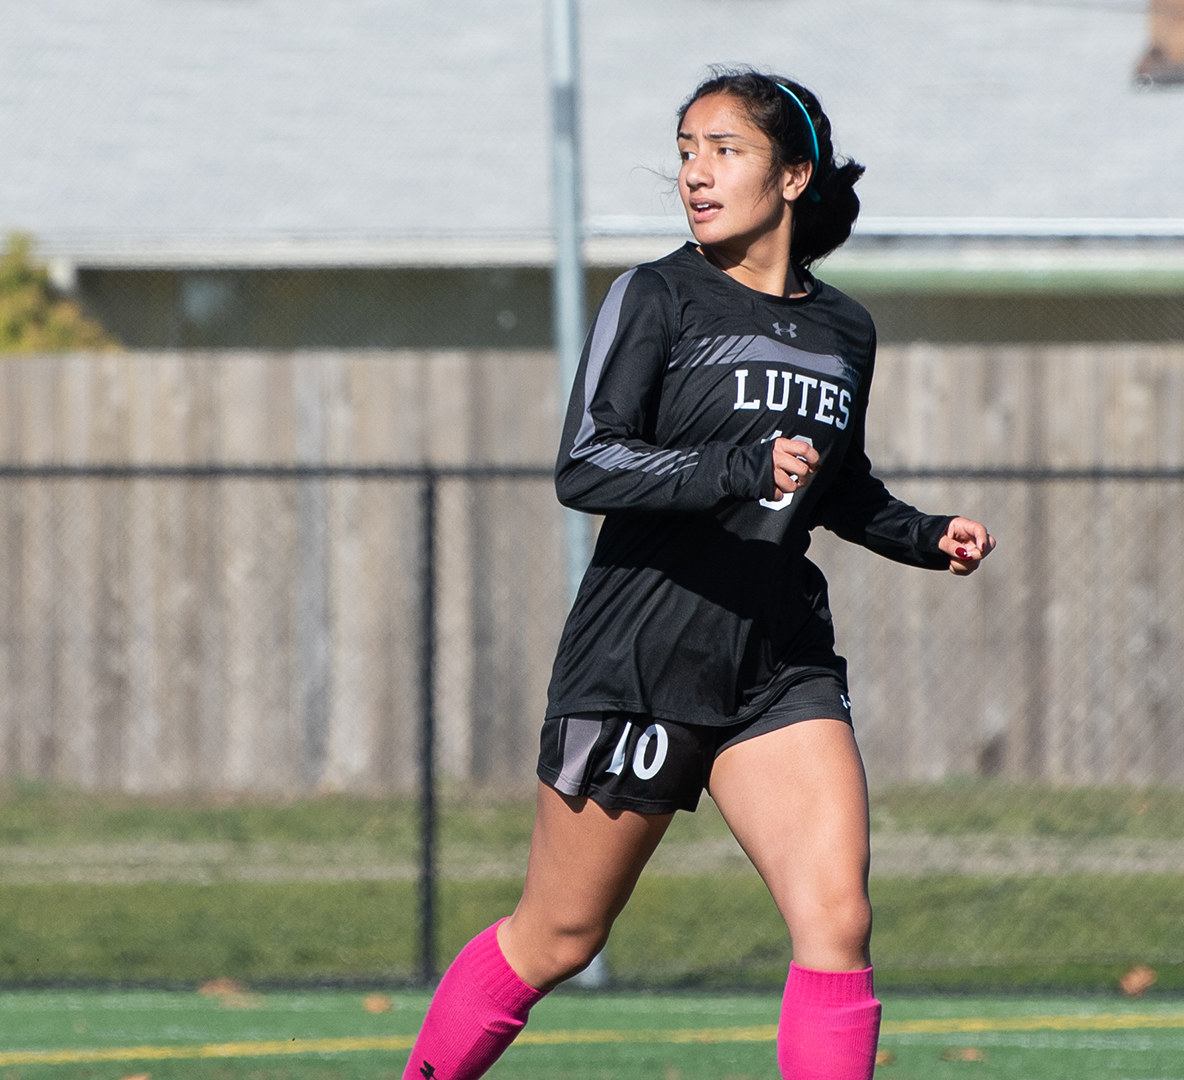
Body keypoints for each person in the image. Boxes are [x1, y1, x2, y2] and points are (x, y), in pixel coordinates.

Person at [404, 68, 996, 1080]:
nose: (694, 173)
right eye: (685, 150)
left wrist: (924, 534)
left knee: (837, 920)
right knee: (557, 935)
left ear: (793, 175)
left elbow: (837, 485)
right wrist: (736, 468)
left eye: (725, 150)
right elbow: (588, 463)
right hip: (642, 657)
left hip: (777, 661)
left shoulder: (846, 330)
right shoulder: (659, 295)